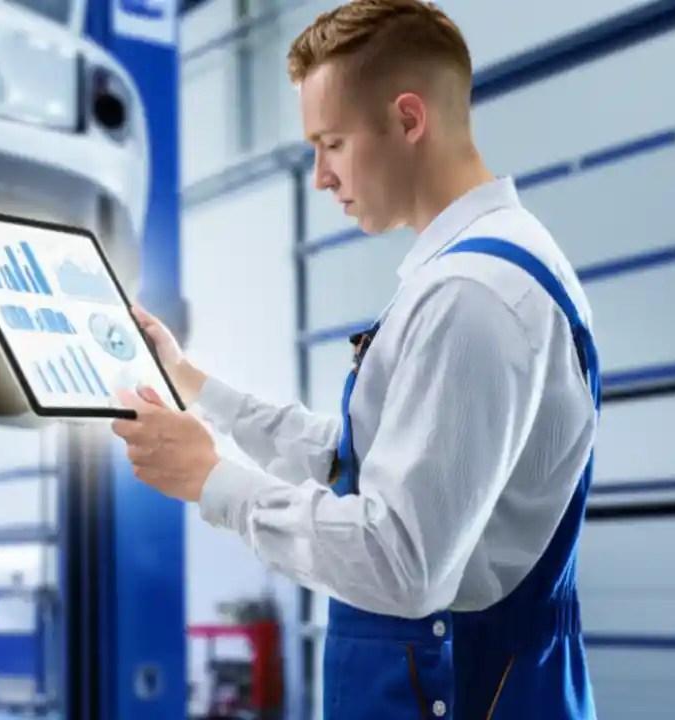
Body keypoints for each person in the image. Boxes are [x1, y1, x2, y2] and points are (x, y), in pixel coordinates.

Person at [110, 1, 601, 718]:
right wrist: (191, 384)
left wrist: (211, 481)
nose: (319, 177)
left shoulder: (472, 297)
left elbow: (402, 564)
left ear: (408, 120)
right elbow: (361, 454)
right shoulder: (477, 270)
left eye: (331, 143)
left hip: (464, 689)